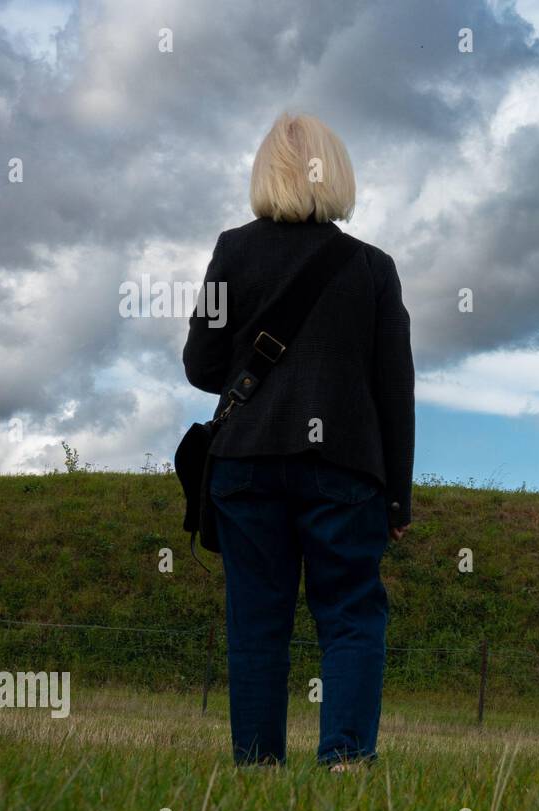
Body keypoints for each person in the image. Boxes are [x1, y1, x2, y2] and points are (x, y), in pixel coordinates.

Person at [182, 113, 414, 770]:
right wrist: (398, 501)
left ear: (266, 174)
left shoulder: (232, 251)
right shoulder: (373, 268)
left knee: (256, 623)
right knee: (350, 616)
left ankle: (256, 770)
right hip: (346, 469)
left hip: (247, 464)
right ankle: (345, 763)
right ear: (336, 175)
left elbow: (202, 367)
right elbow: (395, 392)